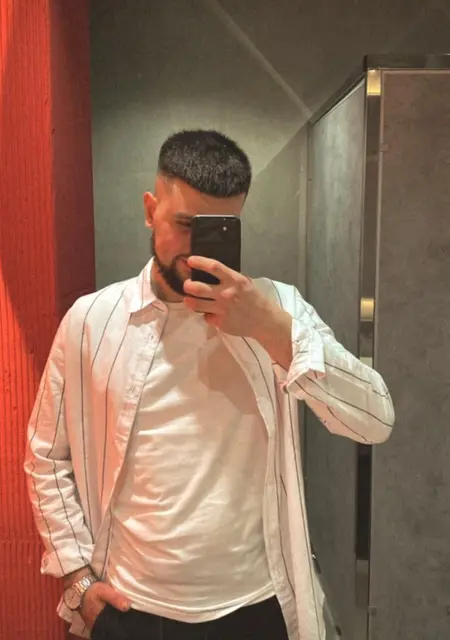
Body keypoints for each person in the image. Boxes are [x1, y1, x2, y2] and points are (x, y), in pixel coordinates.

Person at [24, 130, 394, 640]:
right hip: (132, 607)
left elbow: (374, 420)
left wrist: (272, 329)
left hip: (256, 606)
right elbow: (46, 456)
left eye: (219, 228)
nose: (196, 250)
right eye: (184, 224)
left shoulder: (277, 310)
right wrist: (76, 577)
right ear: (150, 210)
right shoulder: (90, 321)